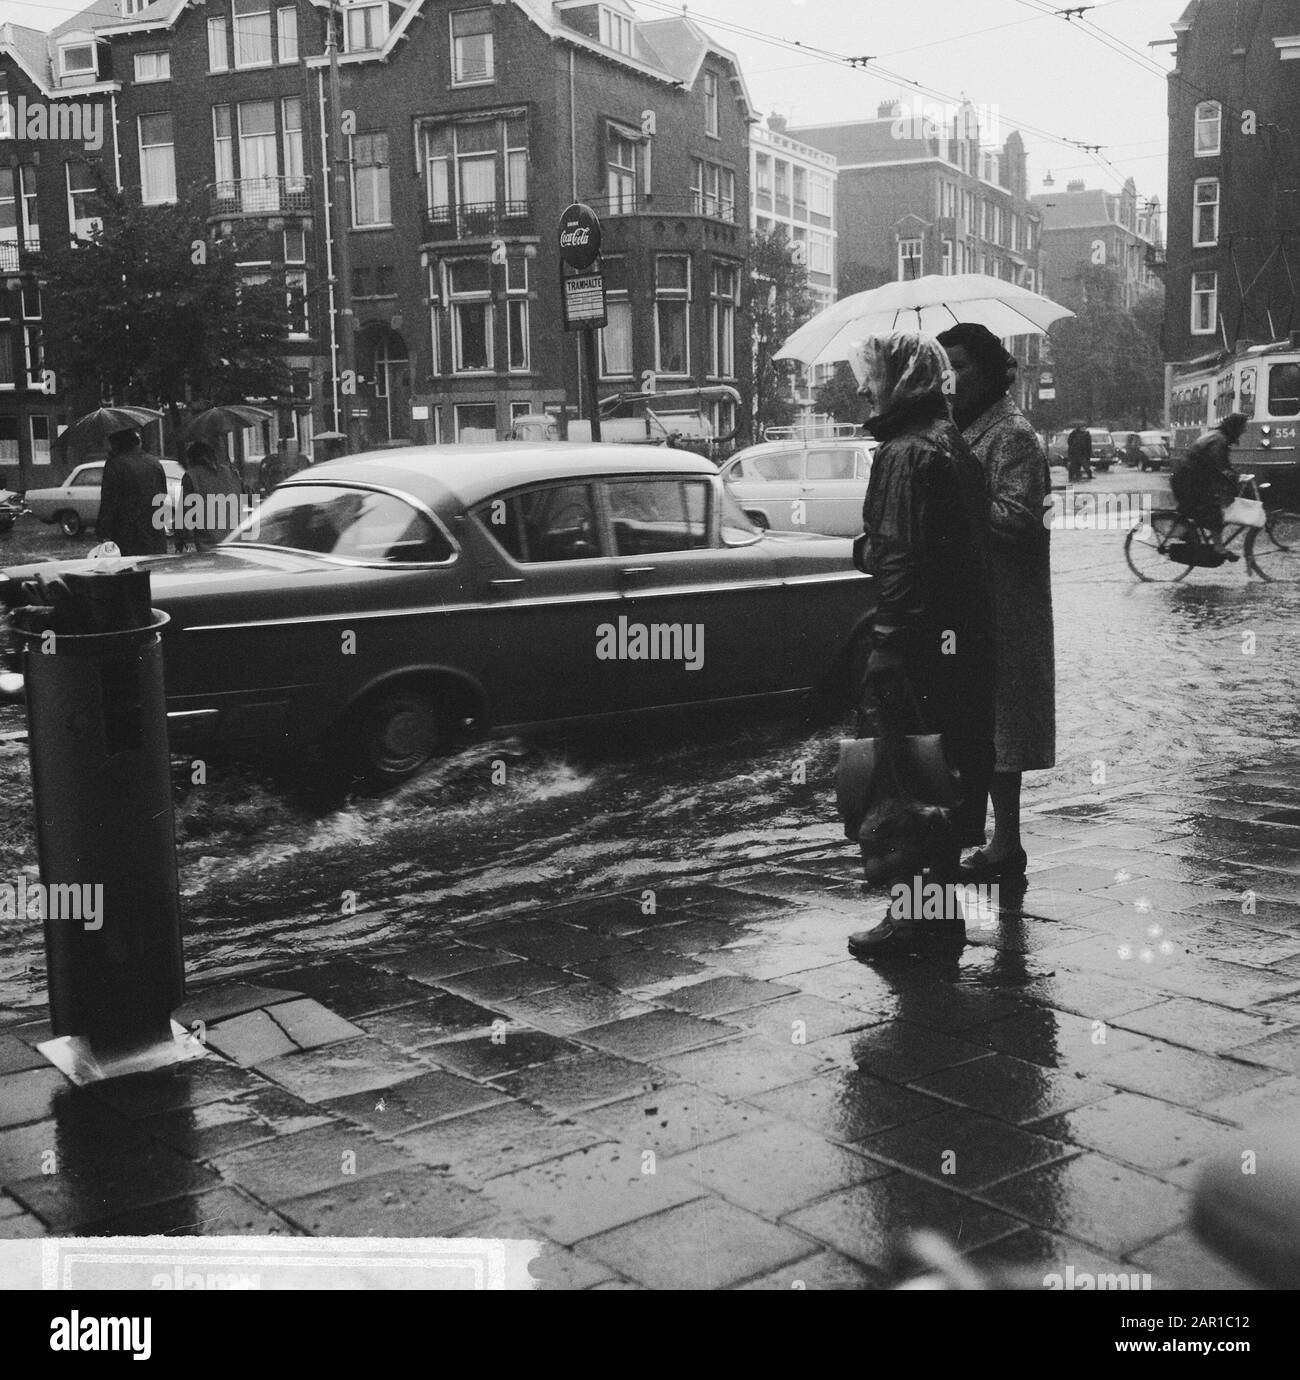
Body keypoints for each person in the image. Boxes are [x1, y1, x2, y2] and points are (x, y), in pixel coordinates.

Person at [845, 331, 996, 960]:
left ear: (899, 380)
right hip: (958, 642)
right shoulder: (950, 441)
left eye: (870, 373)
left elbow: (904, 563)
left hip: (917, 646)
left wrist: (887, 650)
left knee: (904, 784)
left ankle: (916, 924)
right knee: (943, 780)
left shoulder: (905, 453)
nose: (862, 386)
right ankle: (938, 919)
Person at [938, 323, 1056, 883]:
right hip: (977, 604)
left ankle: (1006, 843)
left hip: (1007, 609)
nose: (952, 378)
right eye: (946, 366)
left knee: (1004, 732)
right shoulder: (966, 428)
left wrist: (960, 493)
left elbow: (1018, 521)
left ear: (988, 370)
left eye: (960, 366)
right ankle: (994, 840)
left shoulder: (1011, 434)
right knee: (984, 728)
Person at [1171, 412, 1247, 558]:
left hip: (1187, 479)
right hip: (1188, 482)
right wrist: (1236, 479)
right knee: (1213, 512)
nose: (1244, 431)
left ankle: (1190, 536)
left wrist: (1234, 477)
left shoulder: (1218, 436)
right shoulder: (1219, 440)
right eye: (1242, 428)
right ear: (1235, 428)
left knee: (1205, 510)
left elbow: (1221, 466)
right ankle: (1217, 548)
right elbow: (1219, 466)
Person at [97, 427, 169, 556]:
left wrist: (103, 532)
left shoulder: (114, 464)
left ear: (117, 444)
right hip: (155, 533)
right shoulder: (154, 462)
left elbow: (109, 502)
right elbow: (163, 494)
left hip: (126, 536)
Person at [177, 440, 245, 551]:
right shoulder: (232, 473)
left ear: (192, 458)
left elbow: (185, 515)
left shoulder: (191, 476)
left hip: (209, 546)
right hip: (236, 542)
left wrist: (180, 538)